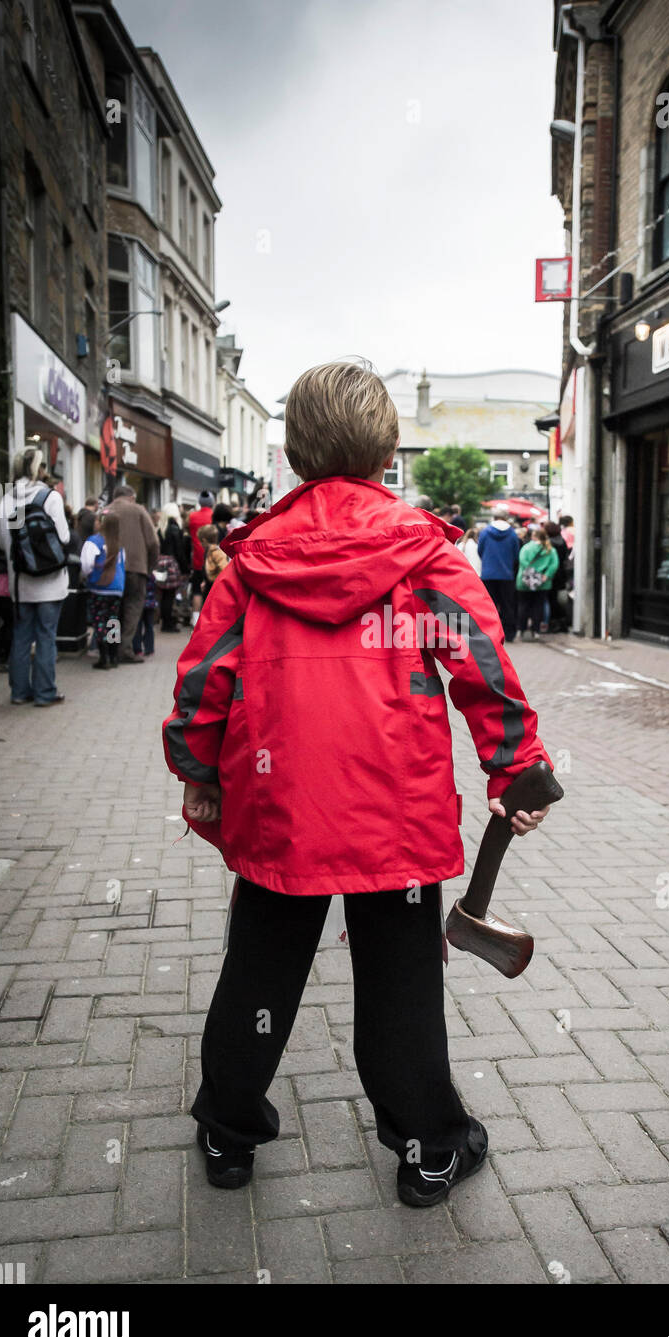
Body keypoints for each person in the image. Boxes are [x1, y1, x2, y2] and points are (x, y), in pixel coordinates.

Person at [162, 360, 554, 1201]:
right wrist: (514, 767)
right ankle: (427, 1148)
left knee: (259, 973)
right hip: (395, 810)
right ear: (384, 448)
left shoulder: (250, 563)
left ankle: (228, 1136)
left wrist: (197, 770)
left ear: (297, 449)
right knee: (400, 983)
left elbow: (203, 682)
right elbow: (481, 665)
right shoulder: (422, 554)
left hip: (281, 809)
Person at [0, 446, 69, 706]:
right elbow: (64, 538)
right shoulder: (50, 497)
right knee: (46, 636)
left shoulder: (7, 499)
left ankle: (19, 692)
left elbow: (4, 542)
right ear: (38, 469)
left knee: (21, 636)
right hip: (50, 582)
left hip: (21, 583)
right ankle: (44, 693)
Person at [106, 484, 160, 664]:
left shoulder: (106, 511)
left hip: (110, 569)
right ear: (132, 497)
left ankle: (111, 648)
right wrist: (149, 567)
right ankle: (125, 649)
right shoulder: (139, 510)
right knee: (132, 610)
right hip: (136, 568)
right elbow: (153, 542)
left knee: (113, 611)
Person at [80, 511, 125, 670]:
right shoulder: (118, 543)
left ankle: (103, 658)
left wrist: (87, 577)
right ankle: (114, 657)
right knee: (113, 621)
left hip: (100, 586)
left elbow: (86, 565)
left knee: (99, 620)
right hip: (117, 587)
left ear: (100, 523)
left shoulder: (94, 541)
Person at [476, 507, 520, 642]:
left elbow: (480, 550)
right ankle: (510, 633)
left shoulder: (485, 533)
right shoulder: (512, 534)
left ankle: (490, 633)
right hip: (506, 575)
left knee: (490, 606)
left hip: (488, 574)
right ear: (506, 518)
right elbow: (515, 554)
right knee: (508, 605)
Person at [515, 527, 559, 640]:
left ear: (533, 536)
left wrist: (532, 574)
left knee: (523, 605)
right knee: (538, 606)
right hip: (542, 583)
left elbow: (522, 561)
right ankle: (536, 631)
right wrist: (545, 575)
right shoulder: (550, 549)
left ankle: (522, 629)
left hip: (525, 581)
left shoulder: (526, 547)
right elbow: (554, 564)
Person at [158, 502, 189, 633]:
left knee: (164, 594)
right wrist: (185, 568)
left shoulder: (161, 528)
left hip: (160, 562)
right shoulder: (175, 529)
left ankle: (165, 620)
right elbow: (179, 551)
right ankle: (168, 624)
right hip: (171, 563)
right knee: (170, 595)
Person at [187, 491, 214, 626]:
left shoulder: (192, 517)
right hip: (212, 559)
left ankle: (195, 620)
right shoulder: (214, 516)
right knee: (212, 591)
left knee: (197, 590)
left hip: (197, 559)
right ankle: (210, 620)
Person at [197, 524, 228, 596]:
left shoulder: (216, 552)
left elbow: (224, 568)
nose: (200, 544)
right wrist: (205, 581)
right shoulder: (208, 551)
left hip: (216, 586)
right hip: (209, 584)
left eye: (200, 541)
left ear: (204, 541)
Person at [133, 572, 158, 658]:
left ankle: (137, 649)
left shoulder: (138, 575)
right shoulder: (152, 576)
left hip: (139, 604)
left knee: (137, 627)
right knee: (149, 626)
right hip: (150, 605)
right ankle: (149, 649)